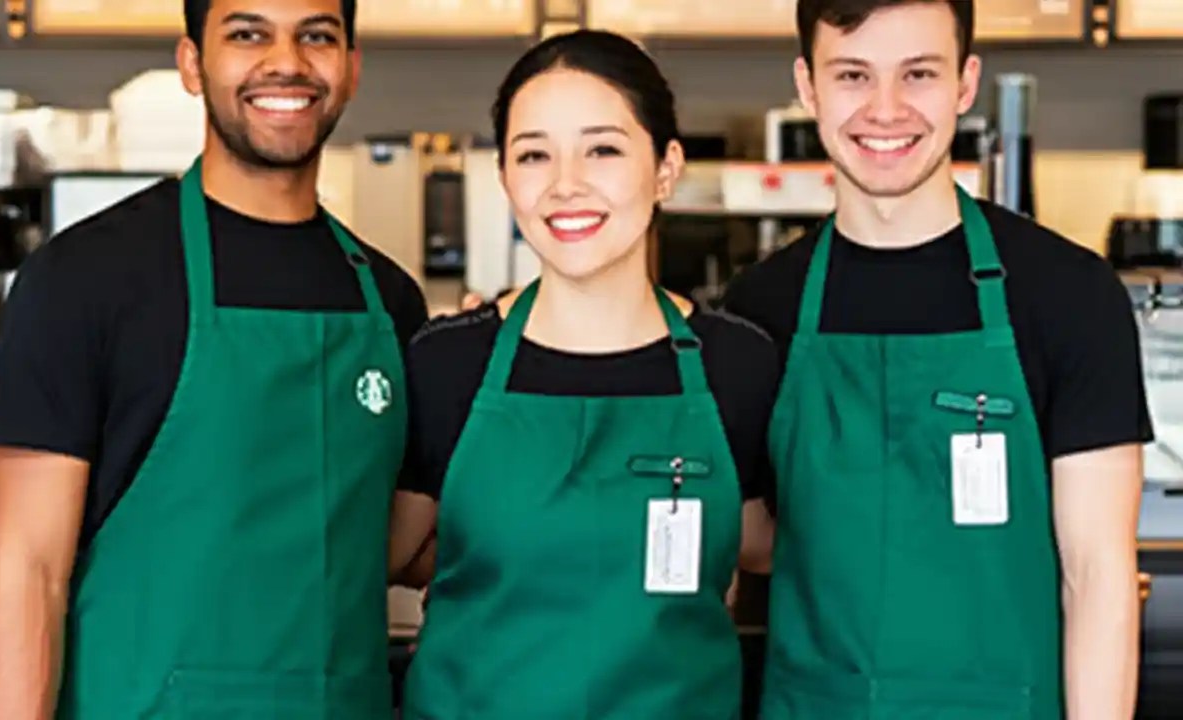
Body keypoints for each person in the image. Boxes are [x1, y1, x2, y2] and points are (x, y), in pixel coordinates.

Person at [0, 0, 427, 717]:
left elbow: (392, 544)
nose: (287, 61)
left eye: (317, 36)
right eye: (248, 34)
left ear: (350, 69)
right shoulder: (83, 279)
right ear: (192, 64)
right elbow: (27, 571)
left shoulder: (392, 301)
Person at [722, 1, 1151, 718]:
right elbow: (760, 542)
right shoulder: (758, 308)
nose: (885, 110)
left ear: (964, 83)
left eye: (918, 74)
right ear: (808, 86)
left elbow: (1098, 574)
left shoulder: (1069, 294)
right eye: (853, 74)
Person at [388, 29, 780, 719]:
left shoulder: (739, 365)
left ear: (666, 168)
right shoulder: (446, 363)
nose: (566, 184)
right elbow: (388, 555)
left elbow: (760, 548)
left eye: (602, 149)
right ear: (506, 178)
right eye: (534, 154)